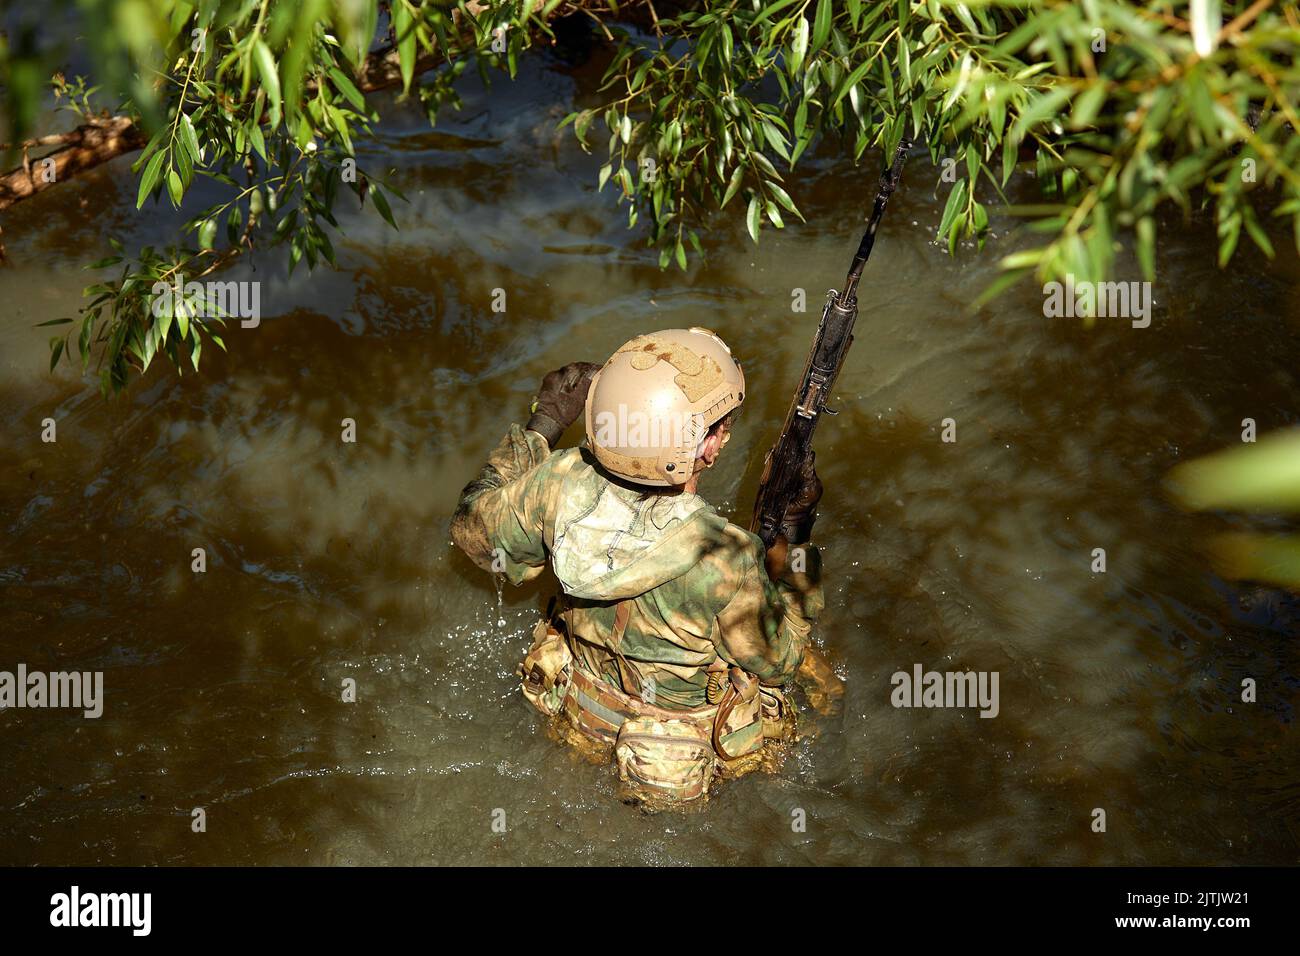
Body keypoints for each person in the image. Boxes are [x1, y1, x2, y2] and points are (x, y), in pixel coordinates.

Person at [451, 327, 840, 804]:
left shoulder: (555, 483)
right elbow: (779, 662)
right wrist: (797, 531)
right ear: (708, 449)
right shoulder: (723, 555)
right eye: (720, 426)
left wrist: (547, 420)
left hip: (576, 718)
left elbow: (472, 530)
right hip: (677, 764)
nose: (722, 436)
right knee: (819, 680)